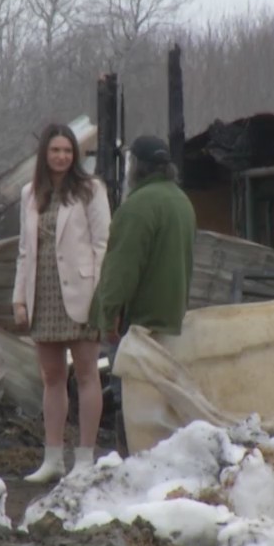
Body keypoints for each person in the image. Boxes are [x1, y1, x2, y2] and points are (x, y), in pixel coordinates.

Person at [13, 124, 112, 483]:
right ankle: (52, 458)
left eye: (67, 151)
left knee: (86, 374)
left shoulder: (90, 190)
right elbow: (25, 250)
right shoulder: (29, 194)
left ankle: (84, 458)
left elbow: (103, 244)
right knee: (51, 377)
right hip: (44, 295)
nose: (61, 157)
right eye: (55, 150)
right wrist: (19, 298)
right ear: (45, 154)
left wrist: (102, 295)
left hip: (83, 294)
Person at [89, 135, 197, 451]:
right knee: (161, 404)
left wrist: (107, 314)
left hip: (138, 323)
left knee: (130, 401)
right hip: (171, 319)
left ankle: (132, 466)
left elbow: (121, 270)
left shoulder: (137, 206)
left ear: (136, 165)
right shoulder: (180, 200)